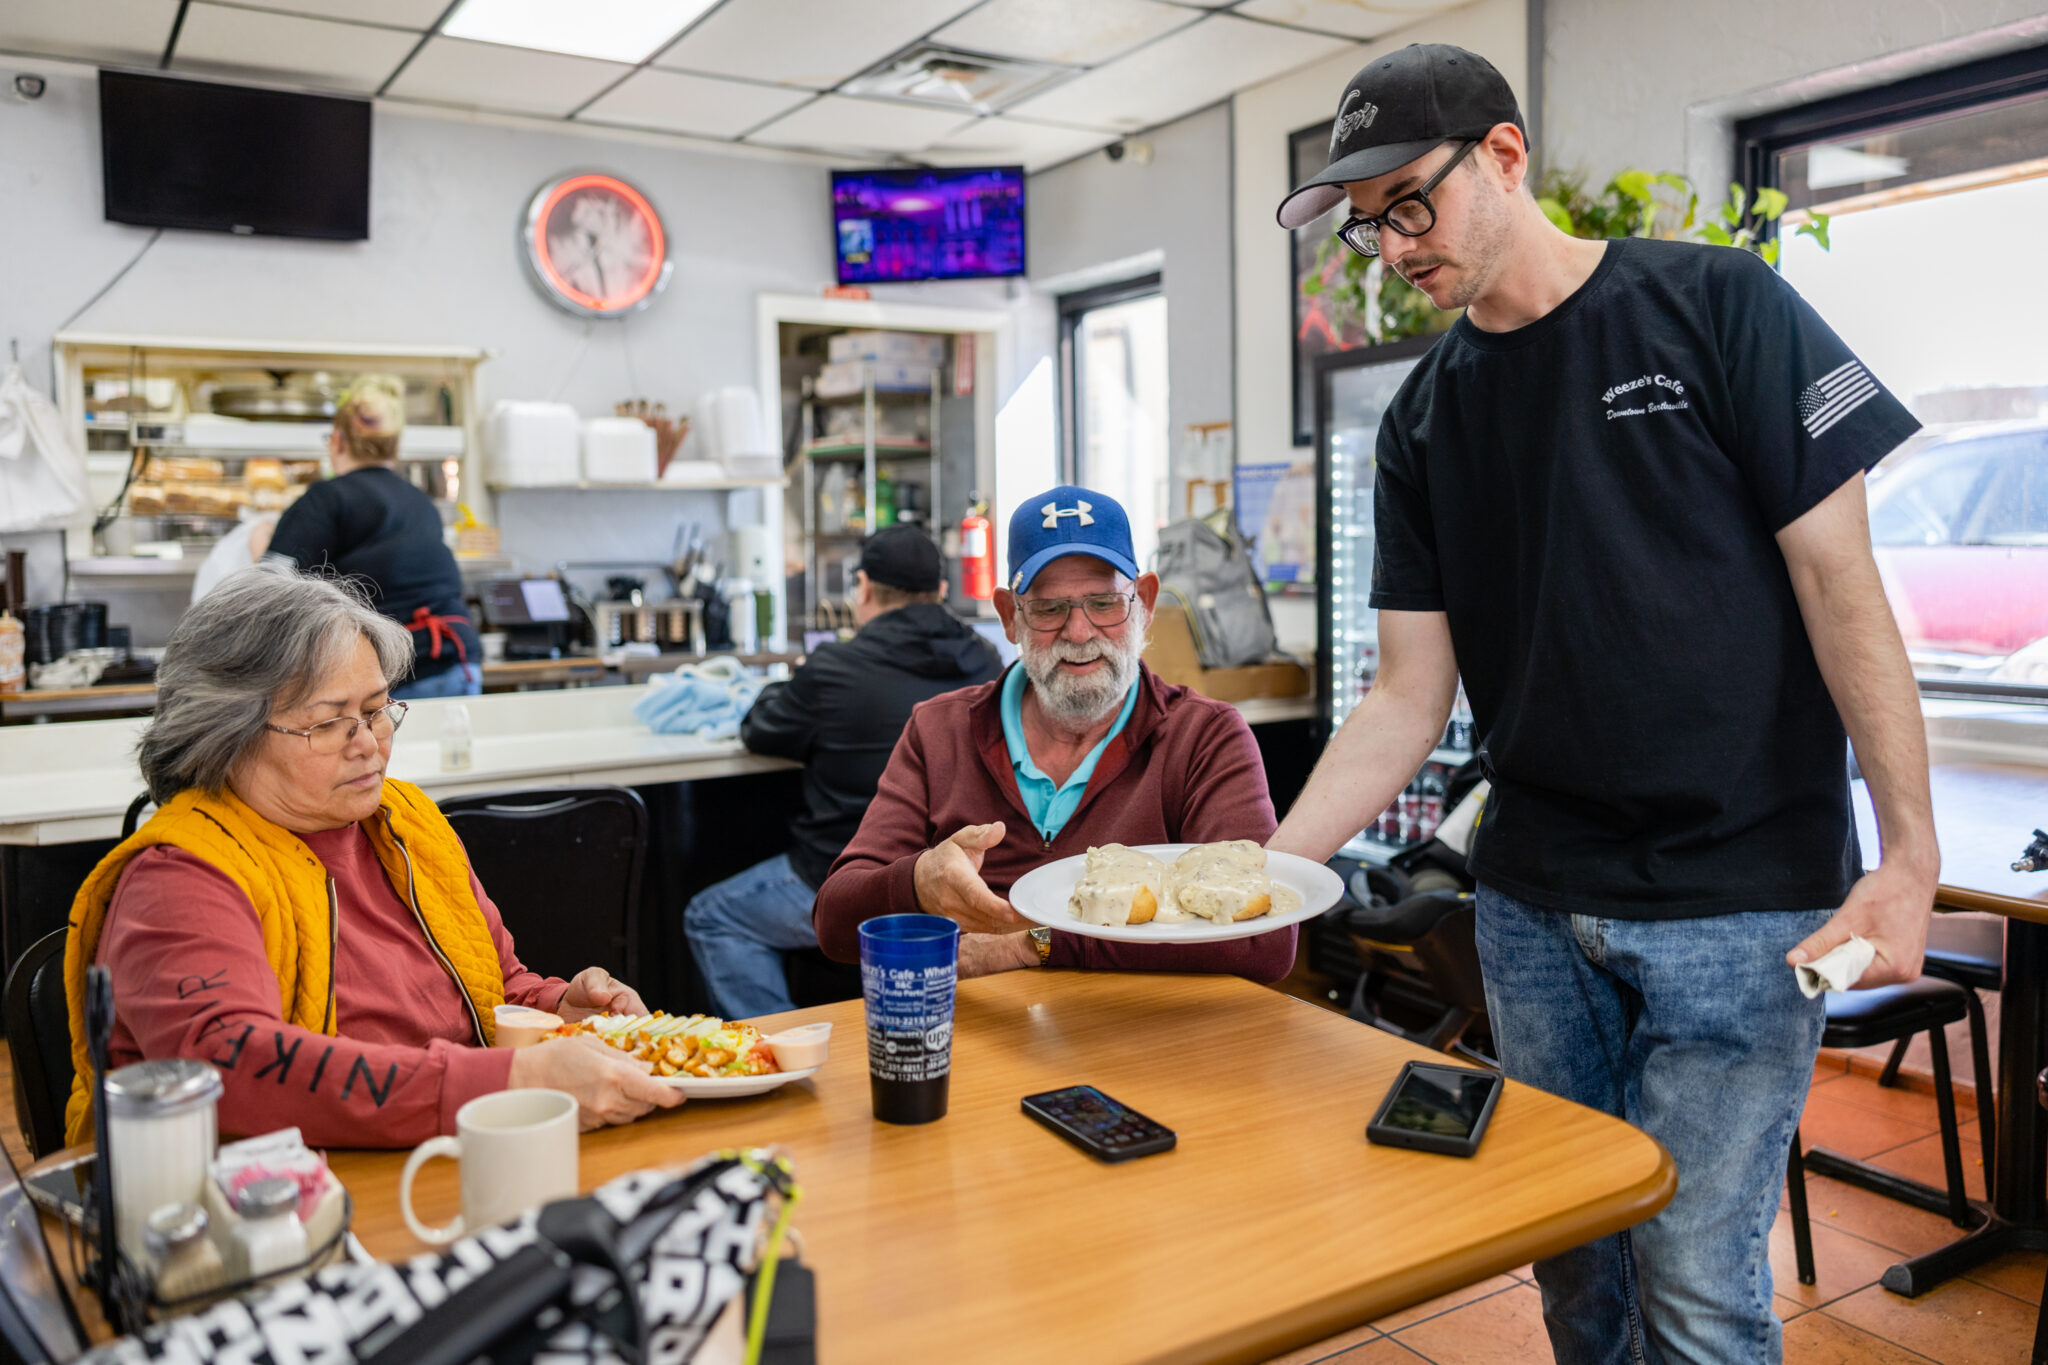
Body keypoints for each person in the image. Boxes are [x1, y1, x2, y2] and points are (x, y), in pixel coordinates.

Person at [1269, 45, 1935, 1364]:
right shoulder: (1423, 421)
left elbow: (1840, 586)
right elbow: (1406, 695)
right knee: (1575, 1269)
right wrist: (1266, 874)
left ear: (1504, 156)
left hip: (1741, 899)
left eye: (1411, 203)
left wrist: (1908, 855)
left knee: (1693, 1283)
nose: (1391, 247)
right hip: (1531, 907)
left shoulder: (1717, 305)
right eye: (1367, 223)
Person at [64, 564, 682, 1148]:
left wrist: (559, 1012)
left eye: (376, 710)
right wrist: (508, 1081)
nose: (368, 744)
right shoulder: (182, 878)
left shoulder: (406, 822)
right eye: (328, 723)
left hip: (449, 1153)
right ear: (226, 734)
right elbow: (236, 1067)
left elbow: (495, 988)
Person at [813, 486, 1294, 983]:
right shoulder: (939, 730)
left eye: (1104, 603)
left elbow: (1265, 943)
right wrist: (917, 882)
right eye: (1048, 609)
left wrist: (1031, 945)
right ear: (1010, 617)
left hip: (1138, 1027)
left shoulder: (1205, 738)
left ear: (1145, 603)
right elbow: (834, 922)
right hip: (981, 1024)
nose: (1079, 633)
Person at [685, 526, 1003, 1017]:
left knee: (712, 916)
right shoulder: (987, 659)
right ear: (941, 590)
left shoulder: (834, 666)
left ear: (864, 587)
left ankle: (779, 1048)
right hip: (961, 879)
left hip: (844, 880)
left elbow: (760, 730)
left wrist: (785, 686)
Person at [266, 375, 481, 699]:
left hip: (389, 672)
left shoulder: (325, 498)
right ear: (395, 446)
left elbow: (266, 590)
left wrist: (260, 545)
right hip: (459, 661)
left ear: (337, 440)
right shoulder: (420, 501)